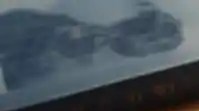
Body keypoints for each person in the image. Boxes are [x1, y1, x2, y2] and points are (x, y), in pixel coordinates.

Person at [0, 0, 183, 93]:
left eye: (151, 42)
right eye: (141, 25)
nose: (142, 39)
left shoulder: (115, 92)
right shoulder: (40, 23)